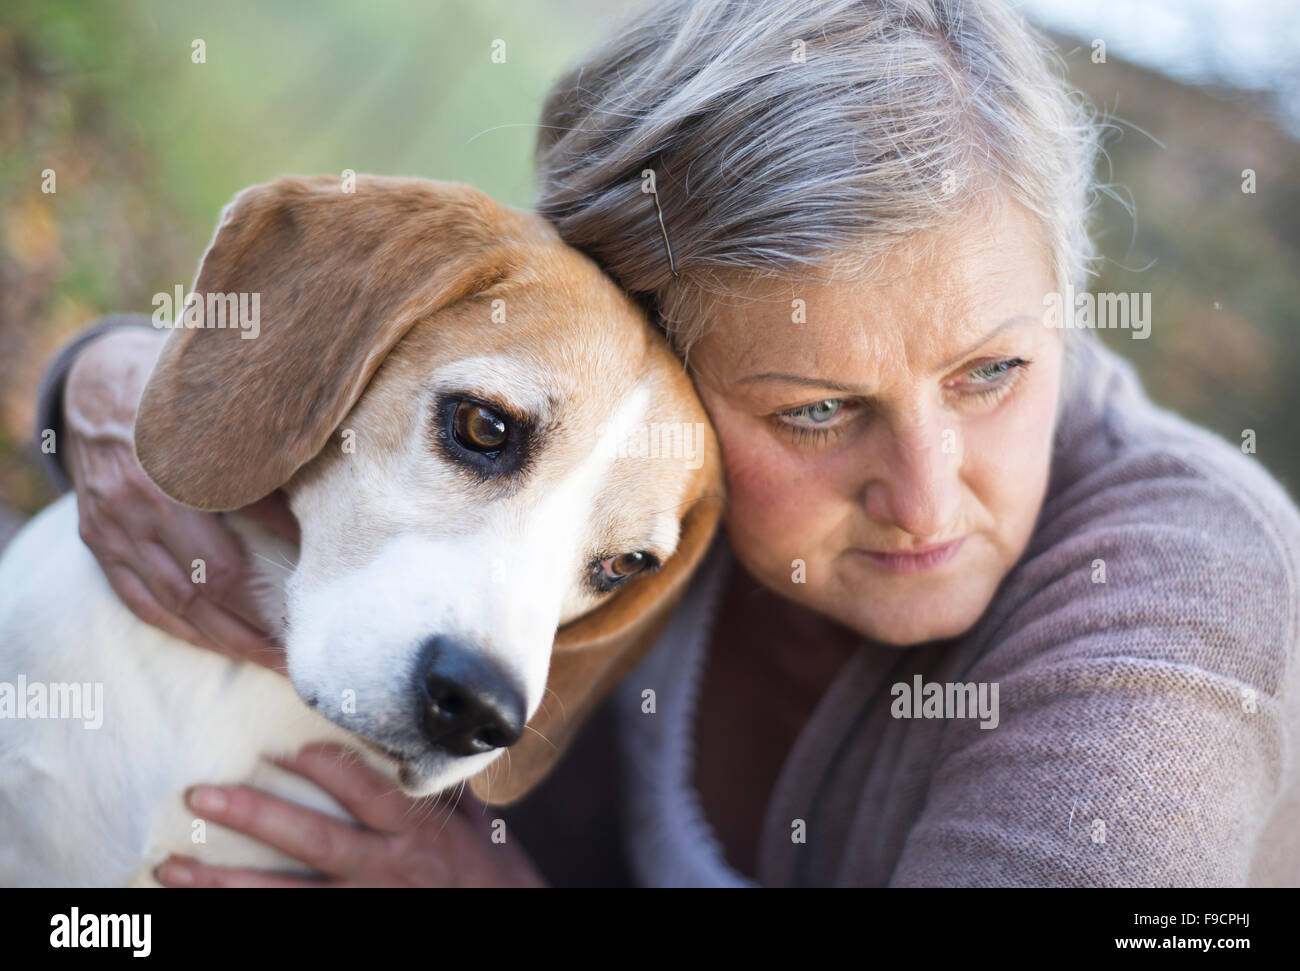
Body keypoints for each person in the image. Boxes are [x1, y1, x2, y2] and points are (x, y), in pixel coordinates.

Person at [35, 0, 1300, 886]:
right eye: (815, 407)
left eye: (995, 370)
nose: (926, 495)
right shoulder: (610, 423)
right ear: (654, 345)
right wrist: (111, 379)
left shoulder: (1180, 602)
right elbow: (435, 327)